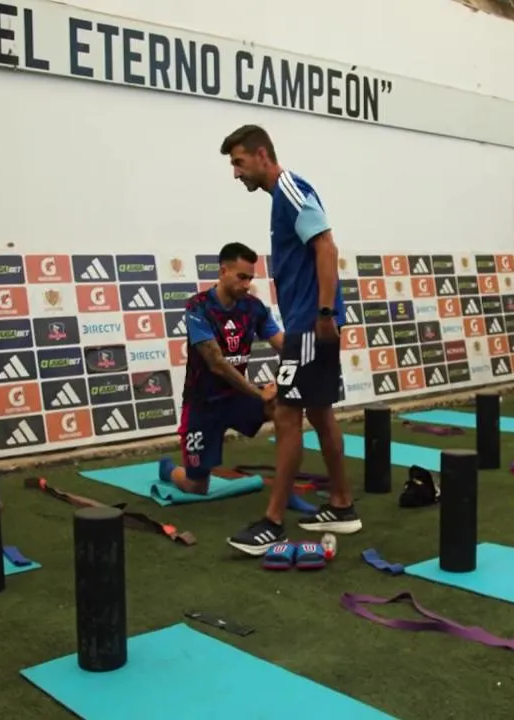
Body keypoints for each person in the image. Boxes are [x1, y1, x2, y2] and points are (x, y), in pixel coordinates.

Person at [219, 124, 360, 556]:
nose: (236, 173)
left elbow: (327, 247)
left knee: (285, 414)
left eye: (239, 162)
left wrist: (324, 314)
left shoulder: (291, 189)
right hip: (306, 323)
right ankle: (341, 504)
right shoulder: (280, 197)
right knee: (320, 413)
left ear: (262, 155)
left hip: (309, 326)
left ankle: (273, 522)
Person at [157, 243, 281, 494]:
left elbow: (281, 343)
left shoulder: (254, 307)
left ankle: (284, 485)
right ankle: (168, 469)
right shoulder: (198, 306)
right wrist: (259, 394)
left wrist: (302, 359)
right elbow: (217, 364)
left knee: (283, 407)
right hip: (203, 403)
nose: (247, 285)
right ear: (223, 271)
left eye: (250, 278)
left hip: (237, 397)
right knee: (196, 486)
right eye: (241, 277)